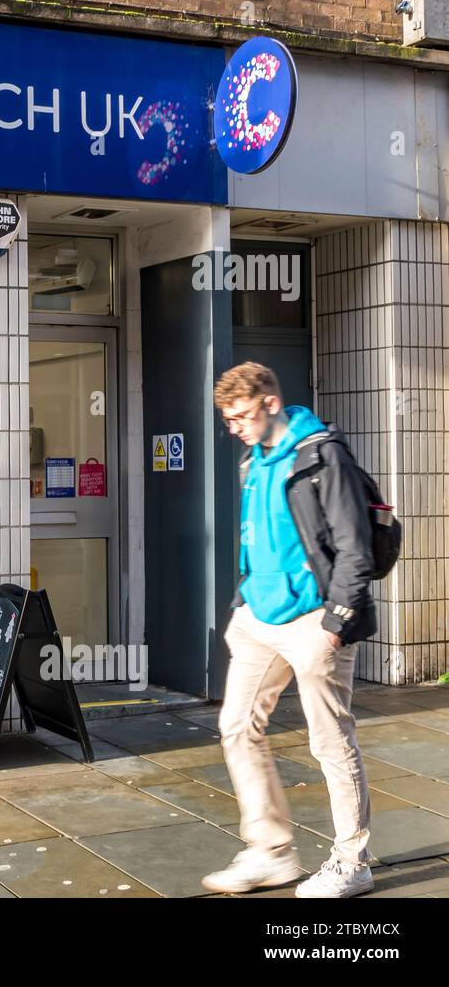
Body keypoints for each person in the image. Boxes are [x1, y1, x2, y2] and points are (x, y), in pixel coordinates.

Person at [202, 362, 378, 899]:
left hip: (313, 619)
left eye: (240, 416)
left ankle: (352, 862)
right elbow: (257, 535)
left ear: (271, 403)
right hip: (259, 616)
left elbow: (355, 548)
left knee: (330, 742)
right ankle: (271, 852)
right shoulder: (252, 460)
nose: (234, 427)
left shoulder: (322, 457)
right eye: (228, 419)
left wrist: (336, 622)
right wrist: (243, 600)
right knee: (237, 726)